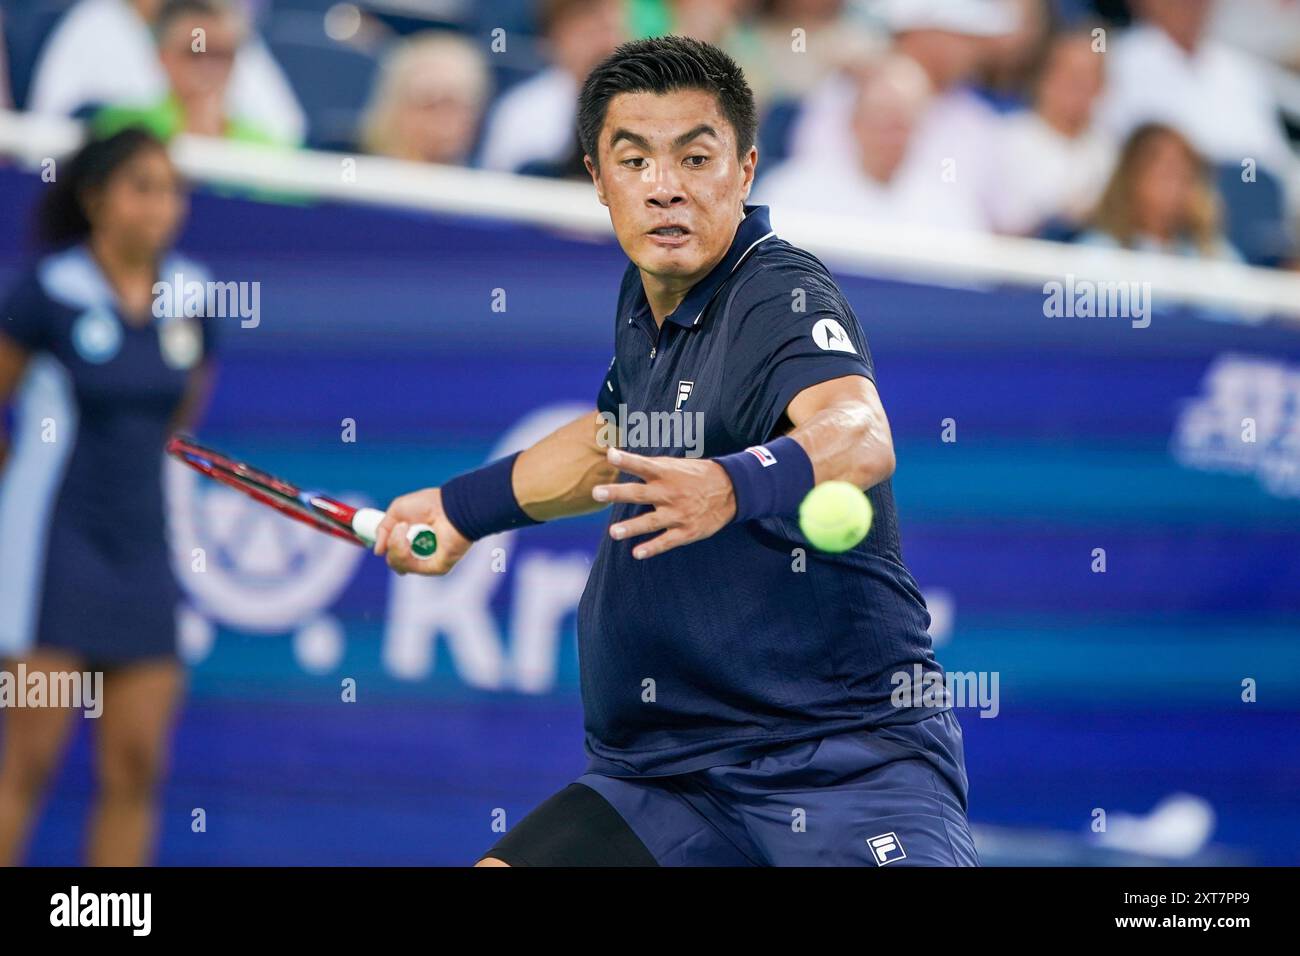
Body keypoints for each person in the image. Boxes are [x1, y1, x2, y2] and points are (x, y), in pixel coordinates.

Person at [374, 37, 976, 867]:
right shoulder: (647, 292)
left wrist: (730, 486)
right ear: (598, 177)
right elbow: (611, 446)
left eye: (696, 158)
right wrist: (460, 510)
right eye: (635, 161)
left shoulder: (778, 293)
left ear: (746, 169)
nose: (666, 187)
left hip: (843, 765)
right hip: (665, 778)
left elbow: (862, 433)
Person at [0, 129, 218, 866]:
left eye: (171, 189)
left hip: (143, 554)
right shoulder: (46, 293)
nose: (162, 207)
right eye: (142, 187)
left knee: (135, 768)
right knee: (26, 765)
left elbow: (180, 419)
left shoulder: (194, 297)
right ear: (95, 199)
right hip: (49, 554)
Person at [27, 0, 304, 143]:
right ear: (162, 58)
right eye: (195, 54)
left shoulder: (261, 143)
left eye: (221, 56)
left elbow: (290, 143)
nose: (208, 68)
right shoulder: (119, 126)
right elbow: (46, 141)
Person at [477, 0, 624, 174]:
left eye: (611, 28)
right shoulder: (523, 112)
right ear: (557, 35)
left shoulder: (646, 100)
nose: (605, 42)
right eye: (590, 30)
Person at [995, 27, 1116, 236]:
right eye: (1072, 75)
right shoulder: (1008, 138)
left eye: (1091, 79)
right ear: (1045, 77)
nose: (1080, 88)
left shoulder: (1108, 149)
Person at [1077, 122, 1241, 261]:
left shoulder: (1214, 254)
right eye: (1166, 175)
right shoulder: (1097, 251)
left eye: (1186, 177)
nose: (1176, 189)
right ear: (1132, 178)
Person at [359, 31, 491, 166]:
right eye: (429, 103)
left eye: (458, 105)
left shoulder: (487, 183)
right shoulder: (354, 174)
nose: (444, 120)